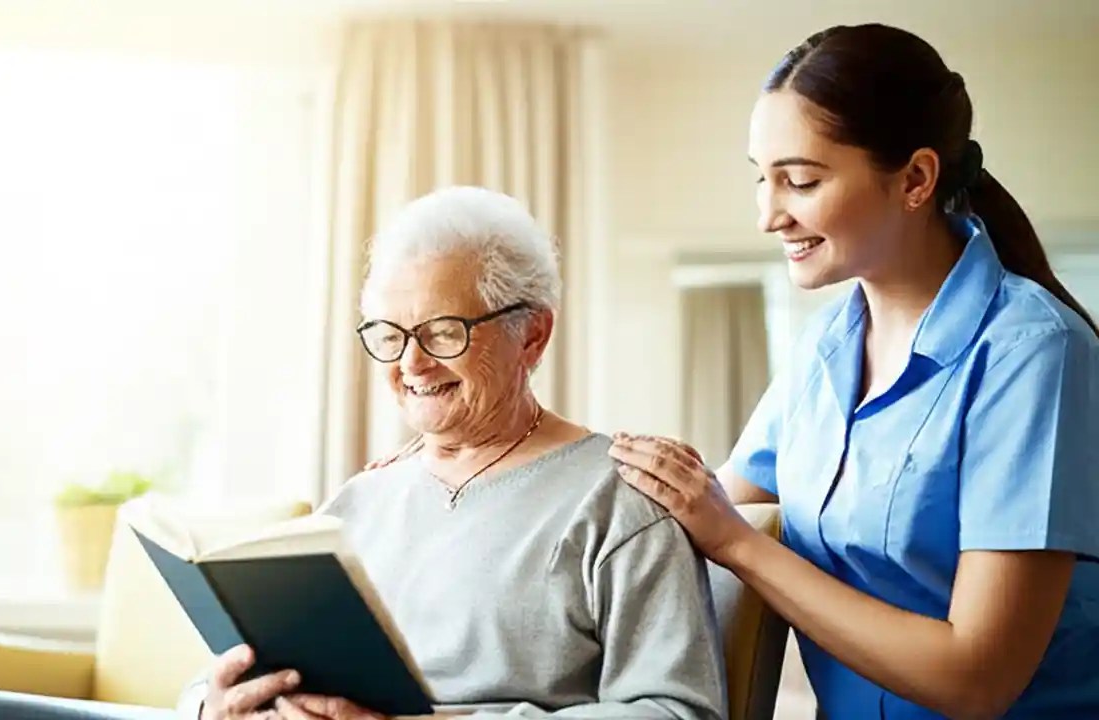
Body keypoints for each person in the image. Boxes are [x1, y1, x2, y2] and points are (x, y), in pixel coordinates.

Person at [608, 23, 1099, 720]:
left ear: (916, 179)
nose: (768, 215)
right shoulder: (825, 350)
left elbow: (976, 678)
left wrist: (741, 547)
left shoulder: (1032, 352)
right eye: (761, 177)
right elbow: (702, 507)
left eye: (799, 181)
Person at [185, 186, 729, 720]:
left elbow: (678, 711)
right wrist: (215, 707)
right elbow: (235, 674)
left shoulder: (622, 501)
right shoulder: (360, 501)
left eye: (444, 334)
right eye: (389, 335)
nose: (411, 363)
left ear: (533, 334)